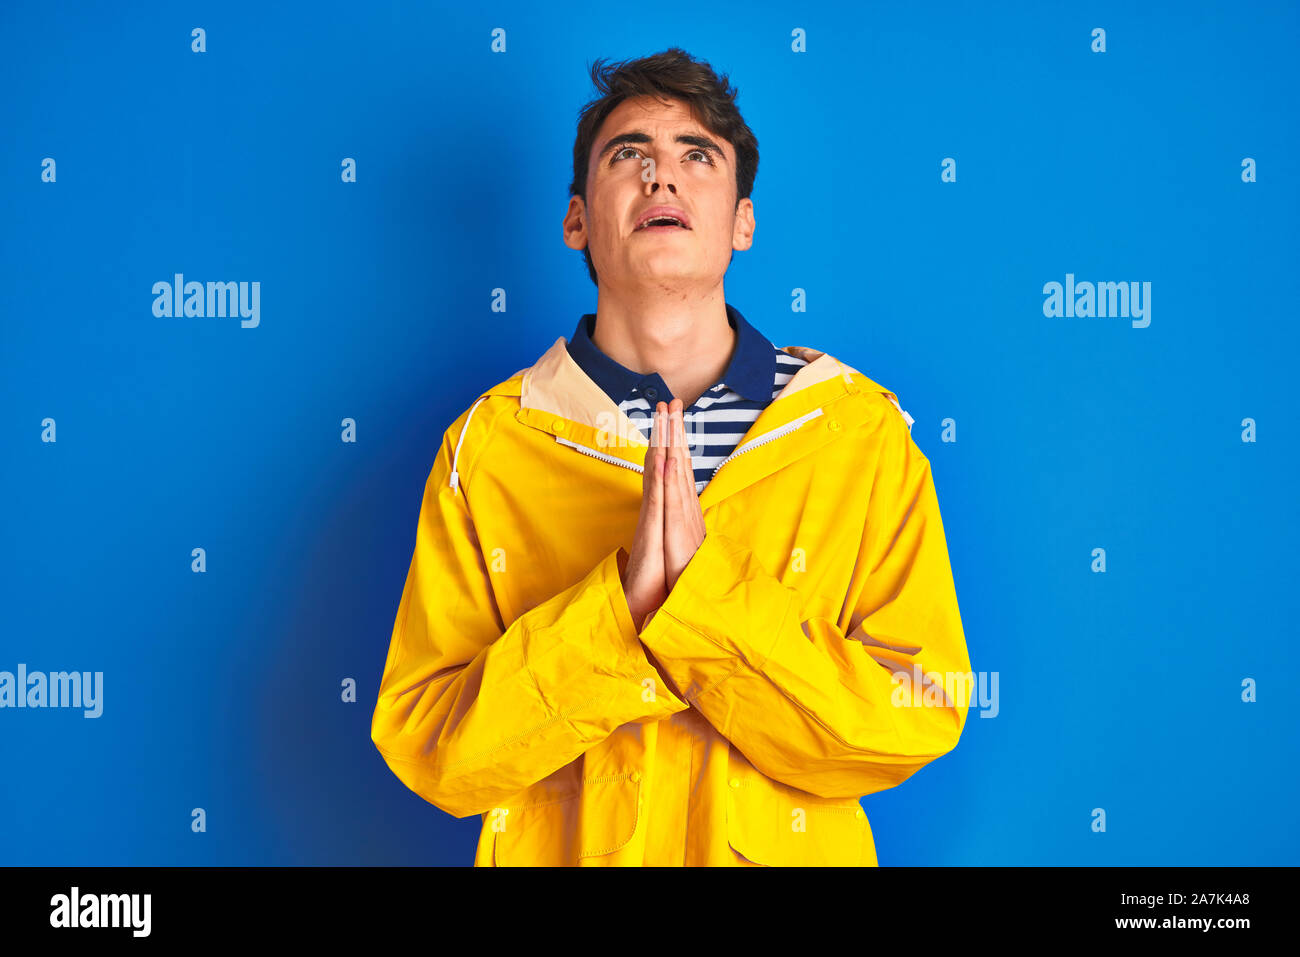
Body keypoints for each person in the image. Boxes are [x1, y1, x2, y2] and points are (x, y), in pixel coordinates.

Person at [370, 47, 972, 866]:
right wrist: (614, 614)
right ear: (577, 218)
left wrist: (704, 604)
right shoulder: (488, 445)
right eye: (630, 156)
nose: (663, 178)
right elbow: (431, 746)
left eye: (697, 156)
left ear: (742, 221)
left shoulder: (859, 433)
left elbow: (920, 710)